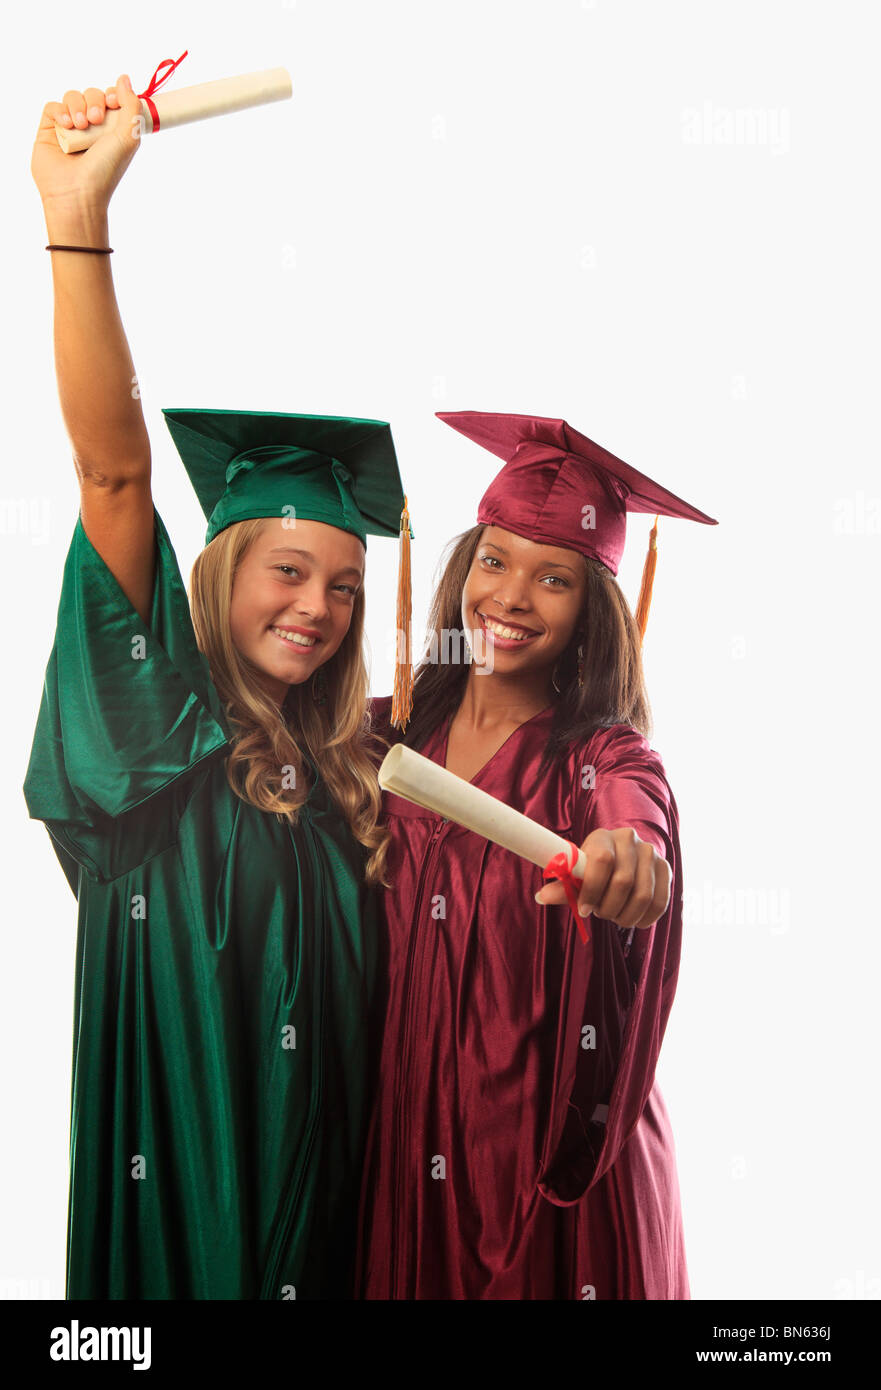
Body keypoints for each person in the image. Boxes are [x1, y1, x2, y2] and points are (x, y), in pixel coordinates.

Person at [25, 75, 412, 1299]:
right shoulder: (160, 725)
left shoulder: (360, 778)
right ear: (224, 564)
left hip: (334, 1228)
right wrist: (76, 220)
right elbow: (113, 474)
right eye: (288, 569)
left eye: (343, 587)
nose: (316, 605)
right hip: (180, 1222)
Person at [355, 410, 717, 1300]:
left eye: (552, 577)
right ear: (461, 570)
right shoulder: (378, 737)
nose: (510, 598)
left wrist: (628, 859)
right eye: (493, 560)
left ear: (593, 606)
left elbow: (635, 824)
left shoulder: (600, 756)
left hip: (547, 1153)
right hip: (407, 1145)